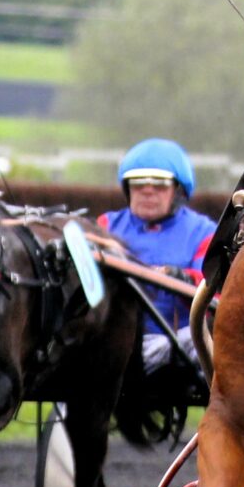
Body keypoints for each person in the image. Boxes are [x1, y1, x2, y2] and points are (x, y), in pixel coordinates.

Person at [98, 138, 212, 377]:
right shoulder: (105, 226)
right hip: (111, 340)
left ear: (178, 190)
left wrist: (179, 277)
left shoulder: (204, 233)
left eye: (159, 184)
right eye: (139, 184)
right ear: (127, 189)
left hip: (172, 340)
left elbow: (213, 295)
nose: (148, 191)